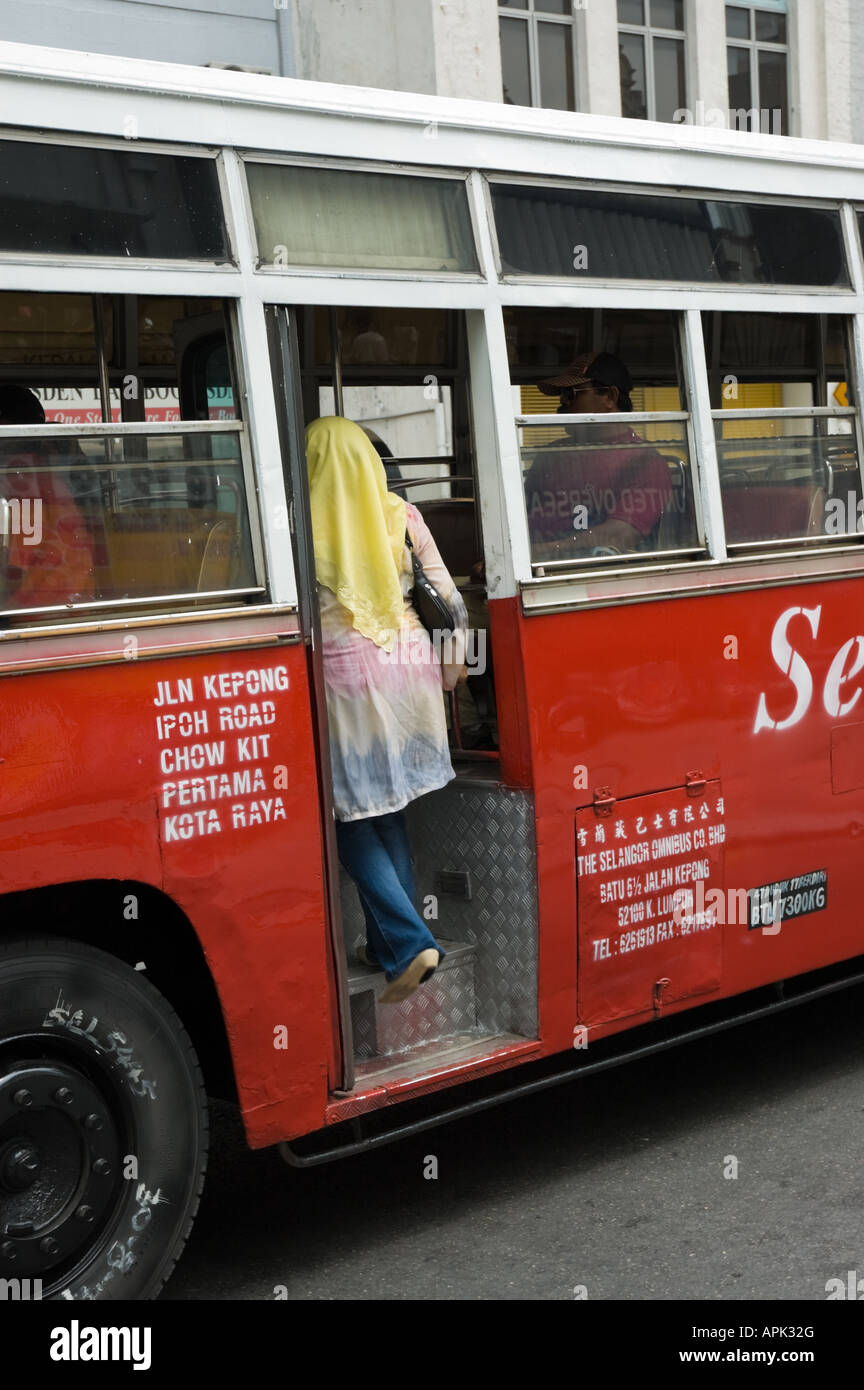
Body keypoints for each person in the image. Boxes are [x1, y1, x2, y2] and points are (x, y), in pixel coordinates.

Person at [306, 415, 468, 1004]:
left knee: (347, 817)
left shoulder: (298, 529)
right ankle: (385, 946)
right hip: (411, 671)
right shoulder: (405, 516)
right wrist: (457, 675)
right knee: (389, 808)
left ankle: (406, 943)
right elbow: (451, 605)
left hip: (347, 684)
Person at [523, 351, 672, 559]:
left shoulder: (643, 461)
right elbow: (519, 516)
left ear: (610, 397)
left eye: (572, 394)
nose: (563, 404)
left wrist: (534, 554)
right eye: (563, 395)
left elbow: (619, 534)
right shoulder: (551, 455)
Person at [0, 384, 95, 611]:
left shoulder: (23, 482)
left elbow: (16, 569)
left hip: (39, 609)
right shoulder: (54, 476)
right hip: (73, 601)